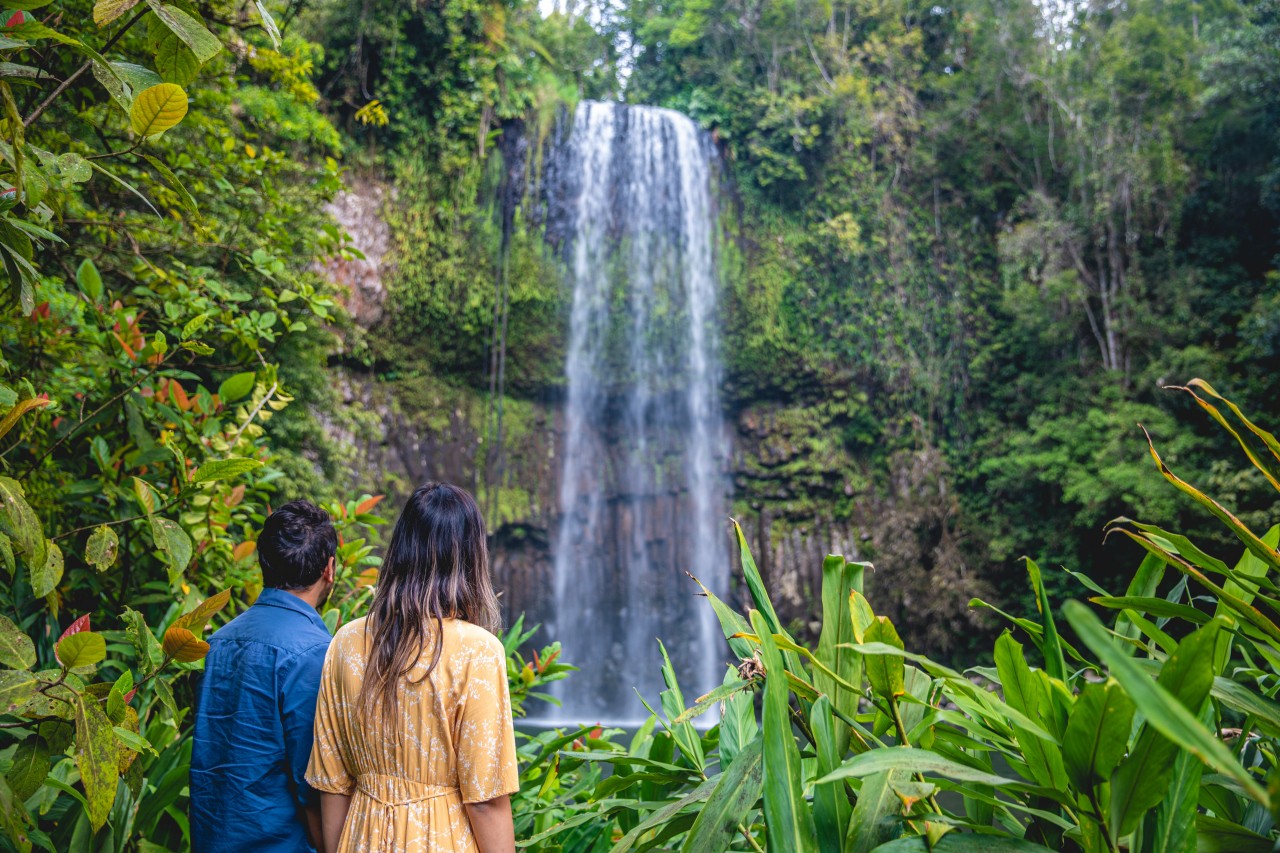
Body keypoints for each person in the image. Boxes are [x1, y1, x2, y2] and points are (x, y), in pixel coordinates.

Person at [306, 482, 518, 853]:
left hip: (361, 838)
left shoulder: (346, 642)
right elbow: (484, 800)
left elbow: (332, 783)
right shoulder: (478, 651)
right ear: (471, 556)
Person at [190, 500, 338, 853]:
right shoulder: (315, 653)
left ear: (263, 564)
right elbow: (315, 784)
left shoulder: (216, 643)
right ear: (329, 570)